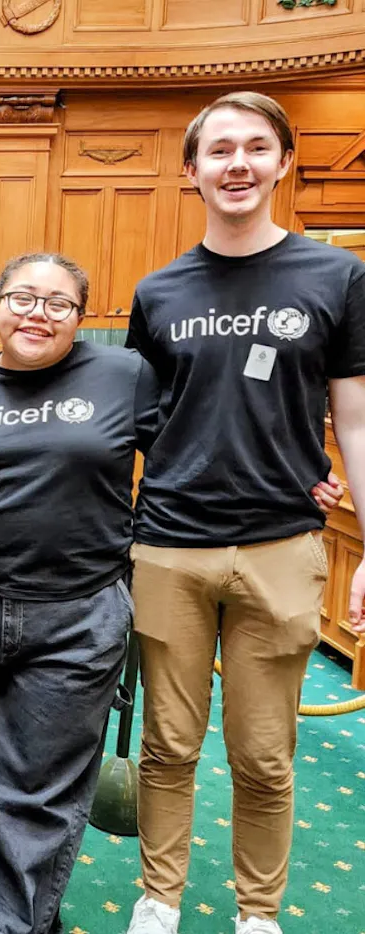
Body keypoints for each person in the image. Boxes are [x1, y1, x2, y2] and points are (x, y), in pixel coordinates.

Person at [122, 92, 365, 934]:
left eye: (257, 147)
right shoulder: (158, 293)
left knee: (265, 757)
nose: (238, 163)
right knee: (168, 747)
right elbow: (139, 423)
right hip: (168, 547)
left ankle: (257, 915)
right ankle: (160, 898)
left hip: (282, 544)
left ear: (284, 162)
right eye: (219, 149)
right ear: (191, 171)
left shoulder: (337, 276)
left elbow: (356, 417)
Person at [0, 252, 158, 934]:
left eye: (57, 304)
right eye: (22, 298)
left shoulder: (125, 376)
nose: (36, 314)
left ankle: (4, 922)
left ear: (81, 315)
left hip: (76, 613)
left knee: (35, 789)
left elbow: (185, 458)